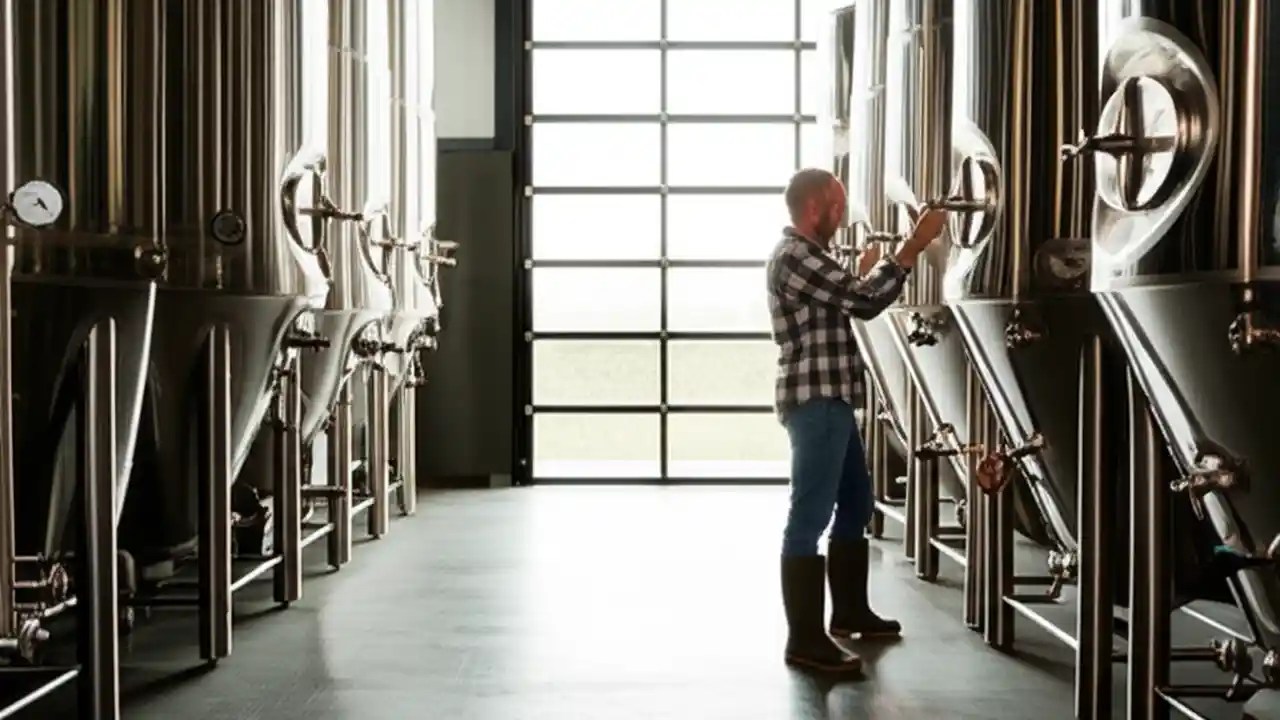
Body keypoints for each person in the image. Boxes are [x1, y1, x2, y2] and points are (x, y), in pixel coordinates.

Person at [766, 168, 948, 675]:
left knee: (857, 504)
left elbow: (848, 291)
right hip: (817, 400)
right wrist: (913, 245)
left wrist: (868, 268)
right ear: (812, 209)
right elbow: (864, 301)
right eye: (837, 206)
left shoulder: (812, 258)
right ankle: (804, 640)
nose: (843, 216)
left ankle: (848, 612)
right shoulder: (795, 256)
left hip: (836, 400)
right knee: (809, 517)